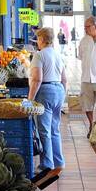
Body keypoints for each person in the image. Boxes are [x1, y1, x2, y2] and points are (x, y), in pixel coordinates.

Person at [28, 27, 66, 180]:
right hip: (58, 90)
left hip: (45, 91)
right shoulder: (58, 54)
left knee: (44, 131)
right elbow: (65, 79)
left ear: (42, 39)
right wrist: (63, 97)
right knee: (54, 130)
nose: (37, 42)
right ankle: (59, 162)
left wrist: (30, 100)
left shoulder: (39, 55)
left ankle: (46, 165)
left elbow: (37, 79)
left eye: (38, 39)